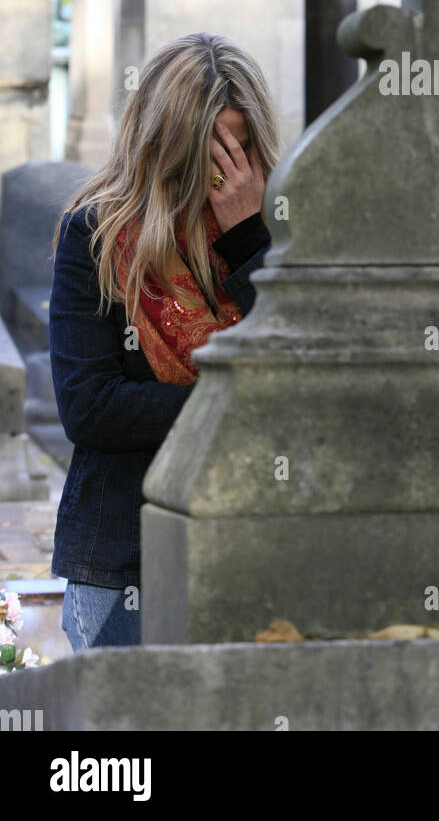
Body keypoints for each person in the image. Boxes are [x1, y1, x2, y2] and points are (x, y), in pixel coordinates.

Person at [49, 33, 279, 651]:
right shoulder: (97, 234)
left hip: (259, 534)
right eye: (209, 147)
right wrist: (242, 406)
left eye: (241, 145)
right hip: (127, 546)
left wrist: (249, 241)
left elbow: (296, 362)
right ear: (166, 144)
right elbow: (91, 407)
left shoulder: (280, 232)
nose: (224, 166)